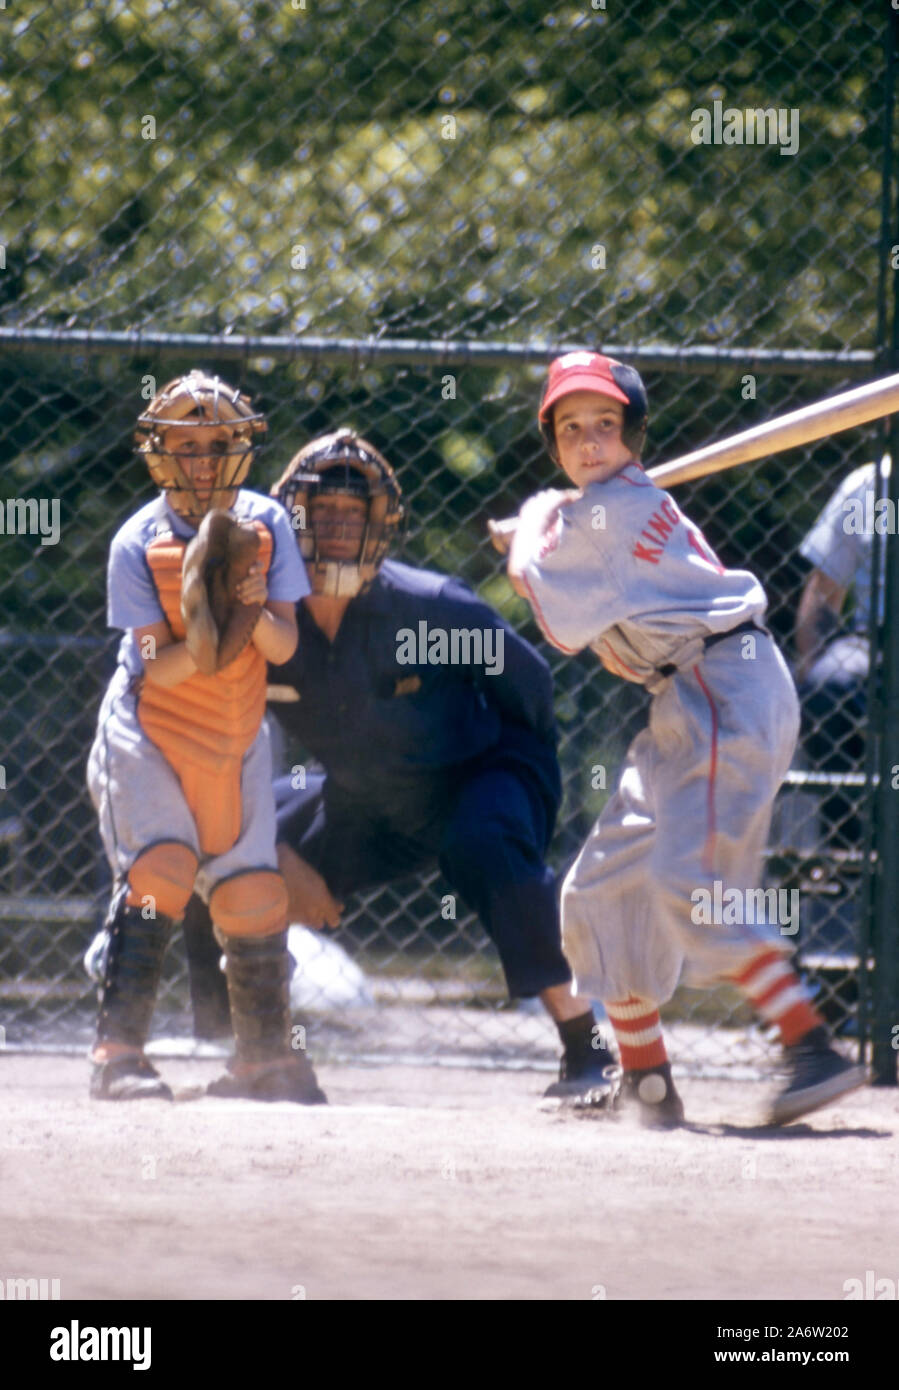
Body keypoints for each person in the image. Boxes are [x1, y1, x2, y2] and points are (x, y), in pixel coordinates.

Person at [183, 428, 618, 1101]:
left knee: (487, 842)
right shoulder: (263, 628)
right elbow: (221, 745)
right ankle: (263, 1058)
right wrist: (268, 844)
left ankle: (586, 1050)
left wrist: (518, 804)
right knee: (221, 853)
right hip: (362, 800)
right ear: (285, 523)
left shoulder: (430, 609)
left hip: (474, 774)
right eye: (319, 513)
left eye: (350, 515)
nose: (333, 528)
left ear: (379, 525)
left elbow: (529, 689)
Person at [503, 350, 866, 1126]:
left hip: (724, 687)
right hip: (683, 700)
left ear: (634, 434)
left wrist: (530, 523)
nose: (589, 439)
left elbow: (556, 617)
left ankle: (810, 1046)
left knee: (689, 880)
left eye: (606, 424)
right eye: (570, 428)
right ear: (554, 442)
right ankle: (649, 1083)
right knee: (598, 888)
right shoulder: (602, 509)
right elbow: (555, 555)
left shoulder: (606, 512)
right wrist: (543, 526)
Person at [86, 370, 325, 1104]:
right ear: (160, 455)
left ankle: (260, 1061)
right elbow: (156, 668)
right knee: (161, 870)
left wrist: (251, 612)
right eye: (184, 446)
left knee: (253, 893)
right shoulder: (137, 540)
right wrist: (210, 633)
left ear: (239, 449)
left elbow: (285, 647)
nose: (200, 460)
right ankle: (117, 1055)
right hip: (151, 727)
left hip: (237, 726)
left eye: (215, 443)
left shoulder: (268, 523)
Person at [795, 456, 886, 844]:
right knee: (827, 683)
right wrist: (808, 667)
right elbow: (824, 588)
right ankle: (848, 851)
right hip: (874, 640)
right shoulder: (868, 484)